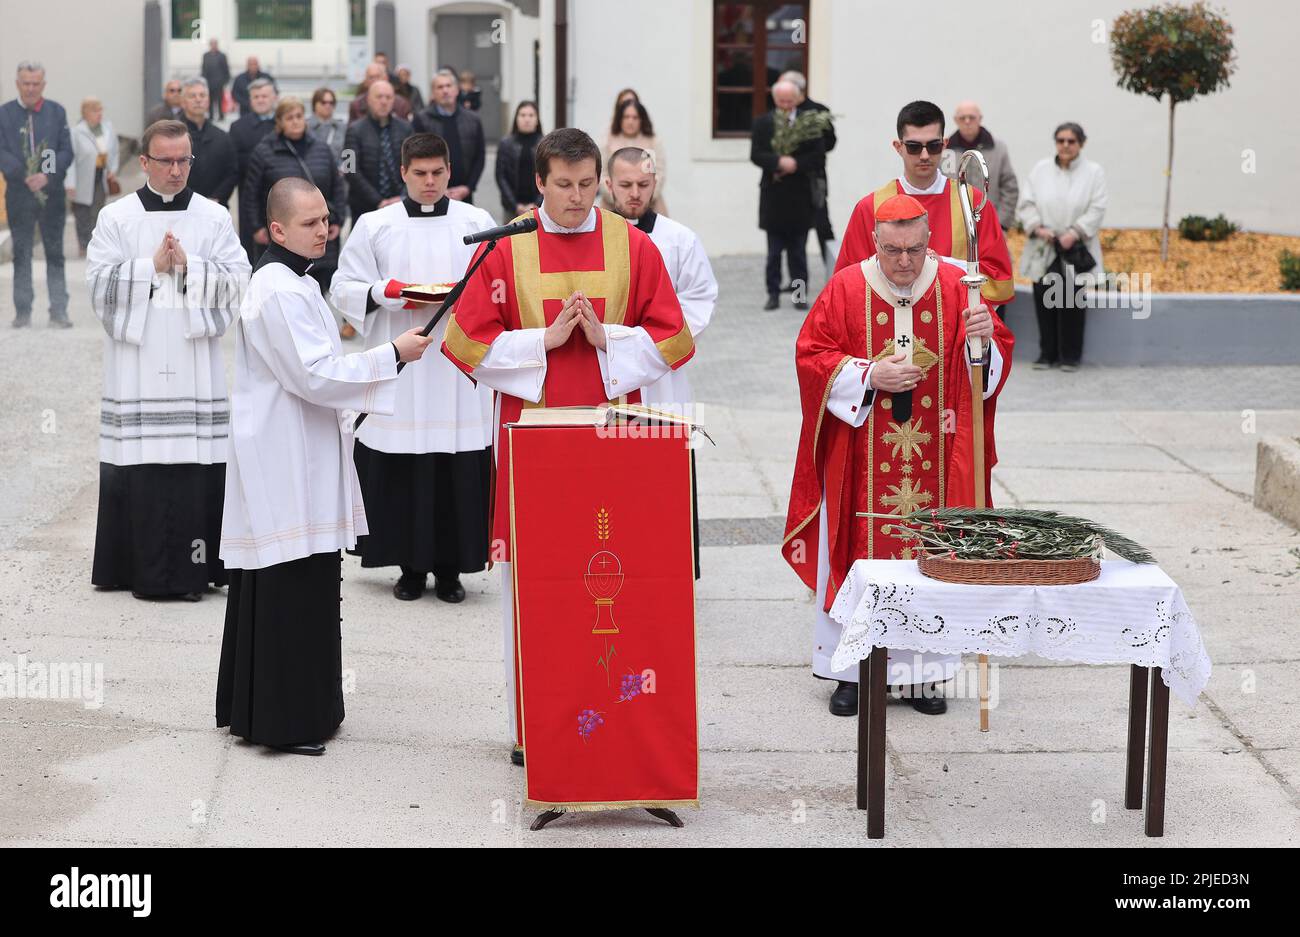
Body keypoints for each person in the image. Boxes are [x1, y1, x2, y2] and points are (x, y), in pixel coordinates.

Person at [441, 128, 693, 762]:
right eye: (563, 186)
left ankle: (614, 717)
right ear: (538, 182)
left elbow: (674, 340)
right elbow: (465, 345)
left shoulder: (634, 247)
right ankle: (534, 727)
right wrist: (542, 343)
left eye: (587, 185)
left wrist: (608, 340)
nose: (577, 199)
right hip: (534, 444)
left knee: (613, 579)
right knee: (538, 582)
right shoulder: (507, 249)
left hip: (615, 440)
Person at [217, 177, 434, 755]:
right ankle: (286, 722)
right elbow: (313, 375)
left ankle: (263, 708)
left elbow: (318, 365)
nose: (325, 230)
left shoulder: (293, 280)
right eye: (311, 223)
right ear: (278, 228)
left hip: (298, 445)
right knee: (291, 582)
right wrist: (391, 354)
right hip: (286, 455)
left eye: (327, 219)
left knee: (290, 580)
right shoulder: (279, 289)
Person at [782, 193, 1015, 717]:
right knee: (858, 555)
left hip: (936, 452)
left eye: (914, 249)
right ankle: (853, 671)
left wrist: (983, 342)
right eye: (893, 251)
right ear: (875, 243)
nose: (905, 262)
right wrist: (867, 374)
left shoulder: (958, 288)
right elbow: (811, 358)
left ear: (929, 241)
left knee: (926, 551)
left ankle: (923, 674)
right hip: (861, 457)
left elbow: (987, 374)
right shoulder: (845, 288)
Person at [86, 120, 250, 600]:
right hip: (136, 367)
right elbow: (98, 287)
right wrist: (150, 268)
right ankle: (133, 569)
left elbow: (239, 281)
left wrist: (189, 267)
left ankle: (198, 571)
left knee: (192, 465)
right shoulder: (116, 219)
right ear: (144, 163)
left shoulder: (214, 217)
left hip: (192, 361)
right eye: (167, 161)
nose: (177, 170)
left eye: (184, 160)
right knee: (140, 465)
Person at [330, 134, 496, 601]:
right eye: (419, 174)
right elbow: (344, 286)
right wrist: (386, 292)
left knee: (454, 466)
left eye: (438, 173)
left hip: (454, 367)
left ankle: (451, 571)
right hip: (400, 360)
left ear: (450, 171)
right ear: (402, 172)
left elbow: (498, 283)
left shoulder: (477, 222)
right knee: (402, 467)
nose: (429, 182)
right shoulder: (375, 224)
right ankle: (408, 567)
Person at [605, 145, 718, 580]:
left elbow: (699, 302)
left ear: (656, 184)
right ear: (608, 185)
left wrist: (637, 344)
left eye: (644, 185)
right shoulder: (591, 239)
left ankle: (666, 572)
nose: (635, 194)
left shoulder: (679, 239)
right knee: (611, 481)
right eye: (626, 185)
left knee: (664, 482)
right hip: (607, 378)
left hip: (661, 381)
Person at [835, 101, 1014, 315]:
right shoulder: (870, 207)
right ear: (898, 147)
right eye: (913, 147)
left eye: (933, 146)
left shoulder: (973, 202)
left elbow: (999, 281)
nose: (924, 155)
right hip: (891, 331)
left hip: (955, 325)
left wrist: (942, 264)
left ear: (945, 144)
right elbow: (847, 285)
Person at [1017, 121, 1108, 372]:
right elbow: (1026, 202)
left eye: (1071, 141)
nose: (1065, 145)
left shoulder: (1094, 172)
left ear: (1081, 143)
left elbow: (1097, 207)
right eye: (1061, 140)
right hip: (1045, 244)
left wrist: (1075, 232)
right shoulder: (1041, 169)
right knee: (1043, 299)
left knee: (1072, 302)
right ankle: (1047, 354)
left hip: (1075, 246)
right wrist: (1037, 227)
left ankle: (1070, 356)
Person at [242, 95, 346, 287]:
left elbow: (338, 187)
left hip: (319, 231)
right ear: (280, 122)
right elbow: (251, 194)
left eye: (299, 116)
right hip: (285, 234)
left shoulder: (321, 149)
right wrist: (257, 227)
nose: (296, 121)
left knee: (318, 288)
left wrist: (337, 219)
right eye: (290, 118)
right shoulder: (264, 152)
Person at [0, 61, 73, 329]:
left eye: (35, 83)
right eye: (25, 83)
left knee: (54, 252)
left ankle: (59, 309)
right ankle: (22, 311)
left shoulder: (56, 112)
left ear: (43, 84)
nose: (31, 88)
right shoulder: (5, 114)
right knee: (21, 252)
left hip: (50, 194)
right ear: (17, 83)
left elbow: (63, 149)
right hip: (19, 194)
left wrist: (45, 175)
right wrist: (23, 175)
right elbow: (2, 150)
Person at [750, 79, 825, 311]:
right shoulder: (763, 123)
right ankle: (772, 294)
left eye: (789, 102)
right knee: (773, 254)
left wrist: (795, 163)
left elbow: (818, 157)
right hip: (773, 199)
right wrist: (777, 162)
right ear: (775, 100)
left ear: (797, 100)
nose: (785, 106)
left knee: (798, 254)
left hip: (800, 198)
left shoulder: (809, 124)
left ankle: (799, 295)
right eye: (781, 101)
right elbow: (756, 155)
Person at [779, 70, 838, 271]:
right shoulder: (784, 111)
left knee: (822, 225)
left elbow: (830, 142)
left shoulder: (818, 111)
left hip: (814, 180)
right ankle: (797, 276)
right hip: (791, 183)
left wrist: (807, 149)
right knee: (794, 230)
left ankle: (835, 272)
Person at [944, 101, 1019, 233]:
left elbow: (1010, 187)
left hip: (991, 225)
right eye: (962, 118)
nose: (967, 121)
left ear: (980, 119)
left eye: (971, 117)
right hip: (954, 227)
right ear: (956, 120)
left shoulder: (998, 148)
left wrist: (1001, 224)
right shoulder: (944, 151)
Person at [343, 80, 413, 222]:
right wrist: (378, 201)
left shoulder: (406, 129)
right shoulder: (354, 130)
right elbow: (349, 169)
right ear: (368, 99)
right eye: (379, 97)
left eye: (388, 97)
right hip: (365, 208)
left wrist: (402, 197)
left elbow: (414, 165)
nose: (384, 101)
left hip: (400, 206)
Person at [414, 69, 485, 204]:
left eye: (448, 86)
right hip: (432, 195)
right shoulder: (422, 120)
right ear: (433, 93)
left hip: (464, 194)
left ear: (457, 90)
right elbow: (417, 158)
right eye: (440, 87)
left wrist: (468, 187)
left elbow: (479, 156)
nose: (445, 91)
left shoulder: (473, 120)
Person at [230, 78, 277, 258]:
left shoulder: (284, 125)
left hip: (281, 197)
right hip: (250, 198)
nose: (260, 100)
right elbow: (233, 166)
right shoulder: (238, 128)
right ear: (250, 100)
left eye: (265, 96)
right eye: (256, 97)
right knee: (252, 252)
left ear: (274, 98)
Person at [67, 97, 119, 258]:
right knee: (82, 212)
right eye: (95, 110)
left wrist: (113, 170)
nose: (99, 114)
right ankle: (83, 245)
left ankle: (95, 244)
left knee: (98, 211)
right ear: (85, 113)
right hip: (82, 177)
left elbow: (114, 151)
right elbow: (71, 159)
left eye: (100, 110)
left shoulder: (107, 128)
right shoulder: (76, 132)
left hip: (101, 175)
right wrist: (70, 183)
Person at [602, 96, 666, 214]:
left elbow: (660, 174)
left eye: (635, 117)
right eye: (626, 117)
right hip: (612, 207)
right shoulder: (607, 141)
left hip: (650, 206)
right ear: (620, 119)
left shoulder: (653, 141)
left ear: (641, 120)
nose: (630, 121)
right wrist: (620, 199)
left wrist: (644, 198)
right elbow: (602, 175)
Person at [180, 79, 238, 207]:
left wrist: (216, 198)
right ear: (183, 102)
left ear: (208, 100)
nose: (198, 99)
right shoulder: (173, 136)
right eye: (192, 96)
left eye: (202, 95)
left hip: (216, 206)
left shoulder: (222, 137)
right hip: (181, 207)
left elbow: (232, 172)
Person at [495, 100, 543, 222]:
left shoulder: (545, 144)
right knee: (510, 239)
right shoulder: (506, 144)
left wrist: (536, 203)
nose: (527, 119)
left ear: (537, 120)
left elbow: (548, 176)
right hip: (512, 208)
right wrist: (515, 205)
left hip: (539, 207)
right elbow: (501, 176)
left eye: (531, 115)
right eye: (522, 115)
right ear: (516, 118)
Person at [347, 62, 413, 122]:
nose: (375, 80)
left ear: (386, 78)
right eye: (371, 77)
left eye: (378, 76)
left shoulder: (401, 105)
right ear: (366, 81)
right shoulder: (357, 105)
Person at [307, 87, 347, 162]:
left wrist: (348, 171)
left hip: (338, 171)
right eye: (323, 102)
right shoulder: (305, 127)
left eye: (331, 103)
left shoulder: (342, 127)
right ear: (314, 104)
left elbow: (349, 153)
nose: (328, 105)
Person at [201, 39, 231, 121]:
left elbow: (226, 68)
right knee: (209, 100)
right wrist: (203, 80)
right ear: (210, 45)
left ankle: (221, 116)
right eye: (212, 44)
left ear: (217, 45)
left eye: (215, 44)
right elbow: (203, 68)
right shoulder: (206, 55)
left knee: (220, 100)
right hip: (209, 82)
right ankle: (211, 116)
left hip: (219, 82)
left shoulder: (222, 55)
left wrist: (226, 80)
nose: (213, 45)